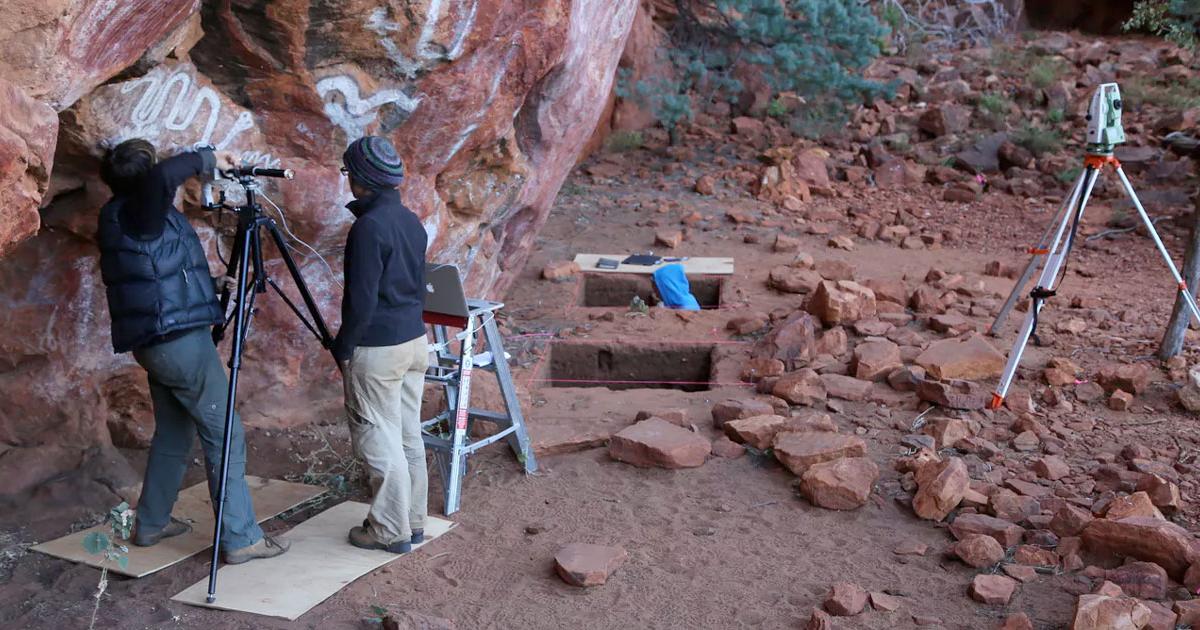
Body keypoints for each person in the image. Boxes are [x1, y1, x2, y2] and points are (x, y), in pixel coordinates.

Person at [97, 139, 288, 564]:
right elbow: (166, 176)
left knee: (175, 432)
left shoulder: (128, 217)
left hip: (162, 342)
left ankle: (150, 523)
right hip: (178, 345)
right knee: (226, 433)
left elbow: (157, 277)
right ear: (146, 177)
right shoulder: (137, 212)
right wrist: (209, 160)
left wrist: (213, 289)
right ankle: (241, 538)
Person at [333, 136, 429, 554]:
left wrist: (343, 346)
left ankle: (389, 530)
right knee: (407, 434)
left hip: (378, 348)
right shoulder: (411, 221)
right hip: (414, 340)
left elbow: (361, 300)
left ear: (361, 180)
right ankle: (413, 521)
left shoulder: (368, 227)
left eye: (349, 173)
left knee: (376, 434)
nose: (348, 181)